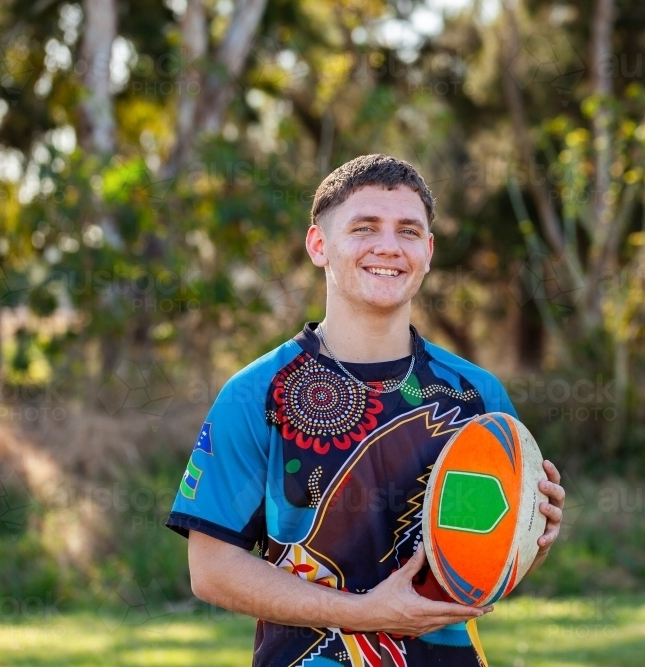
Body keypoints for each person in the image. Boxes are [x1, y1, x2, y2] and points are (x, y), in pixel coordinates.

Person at [166, 154, 566, 667]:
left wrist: (533, 536)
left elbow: (480, 566)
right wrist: (368, 613)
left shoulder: (478, 397)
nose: (388, 247)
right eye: (364, 227)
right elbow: (212, 569)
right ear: (318, 245)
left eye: (408, 231)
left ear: (428, 250)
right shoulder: (257, 393)